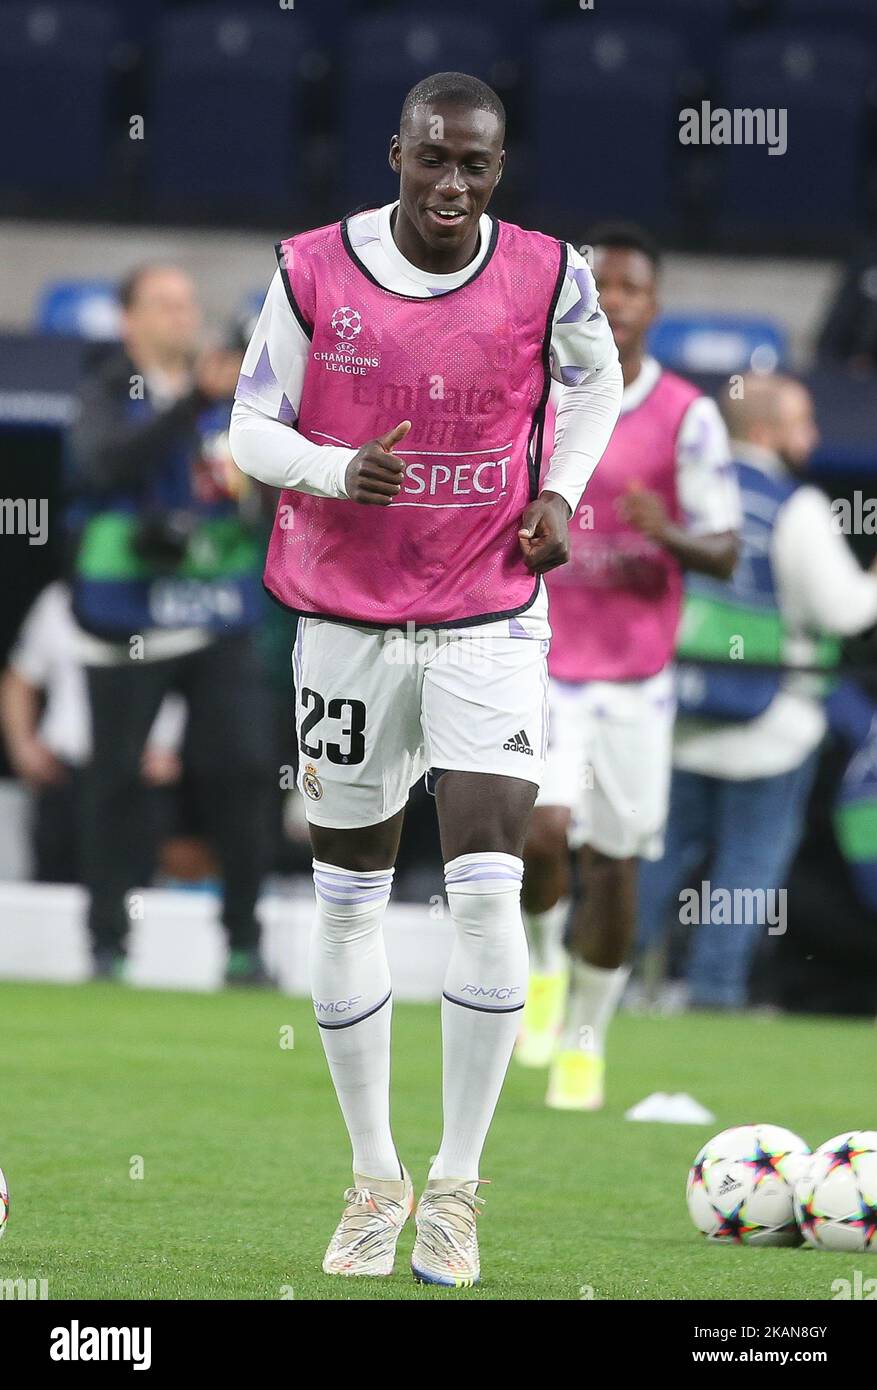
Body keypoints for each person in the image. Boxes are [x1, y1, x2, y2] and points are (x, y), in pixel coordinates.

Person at [230, 72, 622, 1285]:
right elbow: (249, 427)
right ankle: (371, 1177)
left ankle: (455, 1186)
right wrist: (338, 470)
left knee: (485, 889)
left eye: (478, 166)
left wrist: (559, 488)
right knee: (348, 899)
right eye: (433, 159)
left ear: (500, 169)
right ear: (395, 151)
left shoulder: (550, 271)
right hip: (343, 616)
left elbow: (593, 381)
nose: (453, 184)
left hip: (487, 613)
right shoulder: (310, 268)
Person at [518, 224, 741, 1109]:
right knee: (539, 831)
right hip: (538, 657)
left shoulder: (686, 415)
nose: (612, 301)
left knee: (613, 863)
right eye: (598, 285)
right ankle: (539, 968)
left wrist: (667, 533)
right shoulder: (538, 396)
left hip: (634, 680)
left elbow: (724, 550)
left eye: (631, 288)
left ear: (654, 304)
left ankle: (586, 1038)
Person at [639, 373, 877, 1008]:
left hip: (679, 716)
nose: (816, 436)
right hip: (774, 728)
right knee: (745, 874)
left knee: (651, 862)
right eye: (803, 423)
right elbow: (846, 611)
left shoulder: (684, 492)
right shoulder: (794, 505)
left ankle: (608, 990)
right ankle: (713, 997)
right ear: (767, 431)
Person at [67, 265, 276, 984]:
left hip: (216, 610)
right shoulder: (106, 390)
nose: (181, 318)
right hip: (126, 617)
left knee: (244, 771)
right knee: (116, 780)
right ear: (128, 319)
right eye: (163, 305)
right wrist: (190, 403)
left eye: (188, 304)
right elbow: (100, 467)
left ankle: (244, 943)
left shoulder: (232, 401)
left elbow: (262, 488)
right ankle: (107, 942)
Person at [0, 579, 185, 884]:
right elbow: (20, 677)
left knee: (137, 898)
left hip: (143, 780)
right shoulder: (63, 599)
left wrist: (182, 756)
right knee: (53, 895)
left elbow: (211, 687)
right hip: (65, 776)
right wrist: (23, 747)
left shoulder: (183, 603)